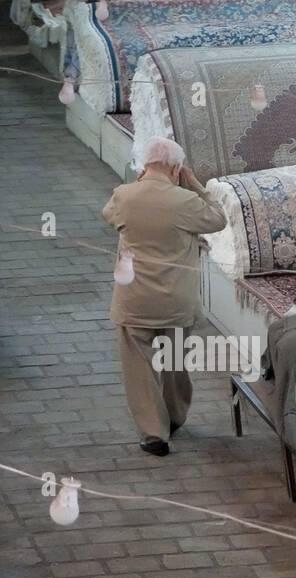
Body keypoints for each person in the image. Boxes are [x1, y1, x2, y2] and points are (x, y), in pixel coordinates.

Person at [101, 136, 227, 456]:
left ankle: (153, 434)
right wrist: (195, 185)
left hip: (134, 300)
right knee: (173, 362)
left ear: (144, 166)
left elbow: (110, 215)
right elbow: (218, 218)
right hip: (175, 301)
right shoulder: (185, 202)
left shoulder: (124, 196)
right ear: (176, 168)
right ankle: (175, 416)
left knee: (139, 368)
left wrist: (140, 183)